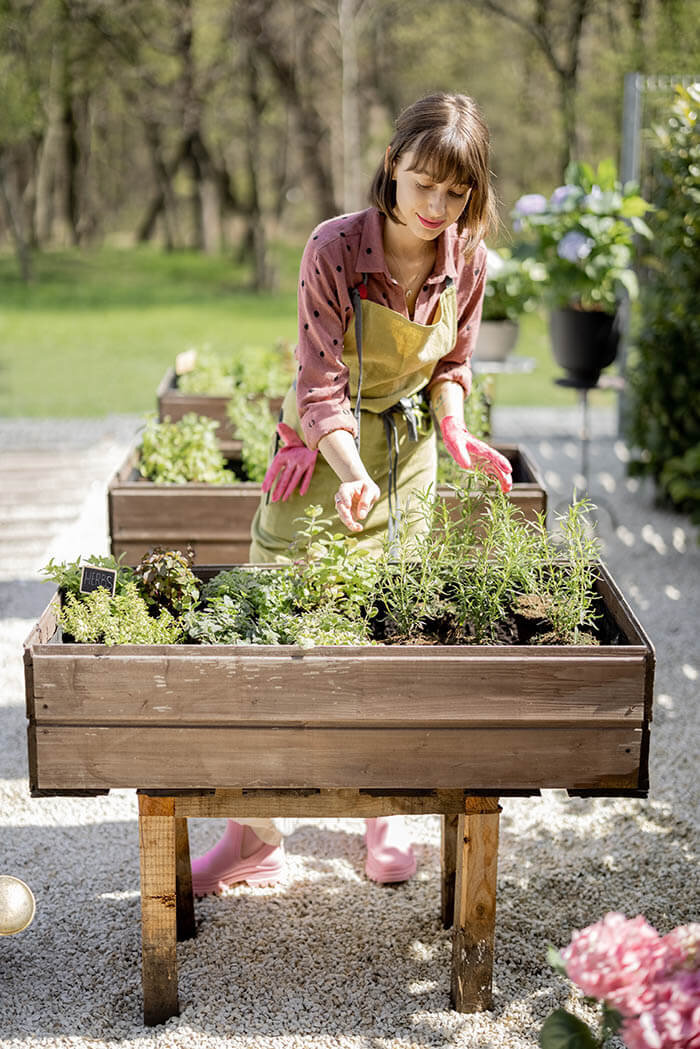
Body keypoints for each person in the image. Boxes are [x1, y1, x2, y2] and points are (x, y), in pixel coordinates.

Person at [191, 91, 513, 896]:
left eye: (456, 191)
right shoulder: (334, 248)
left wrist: (457, 432)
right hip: (322, 443)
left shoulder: (467, 257)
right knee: (273, 624)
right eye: (423, 185)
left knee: (392, 631)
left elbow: (450, 366)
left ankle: (386, 814)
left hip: (408, 452)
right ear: (391, 167)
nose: (438, 206)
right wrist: (348, 469)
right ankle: (254, 834)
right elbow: (321, 383)